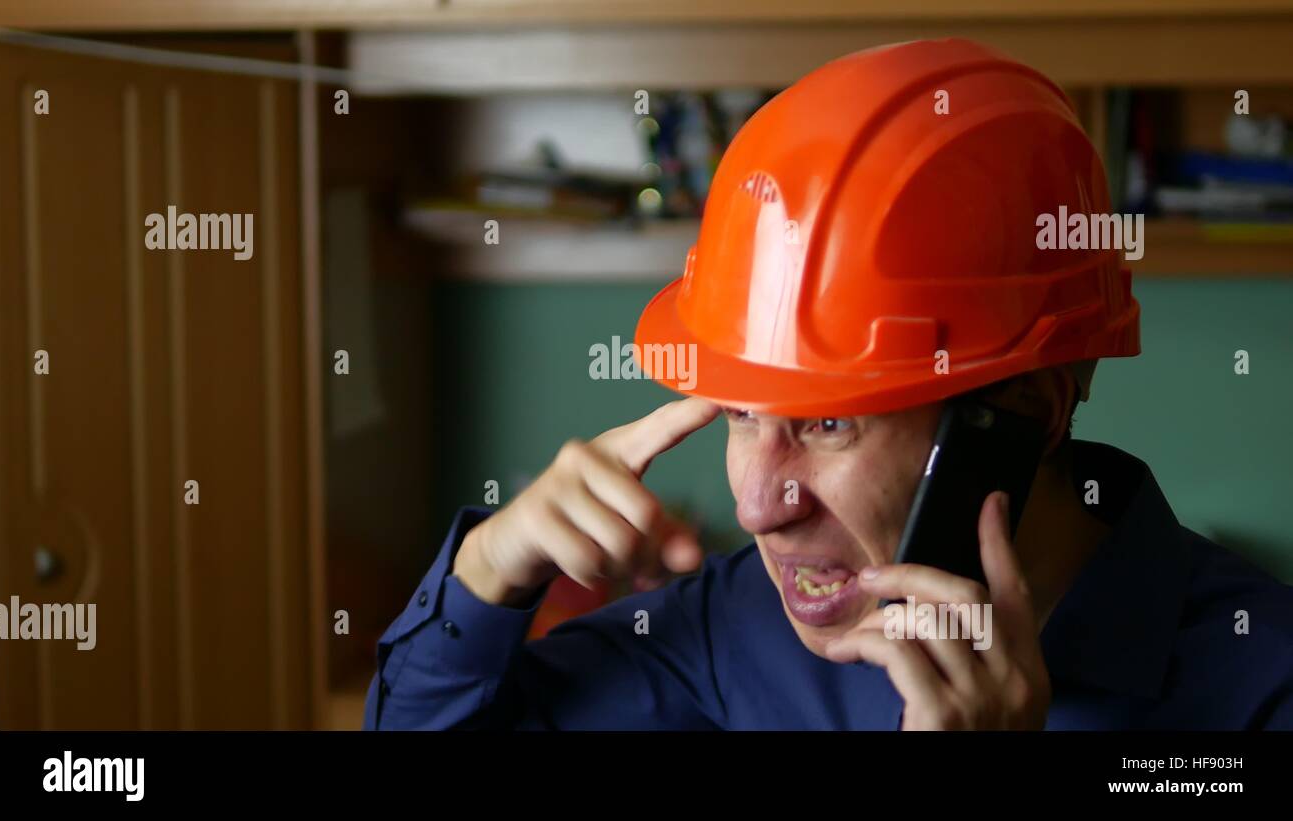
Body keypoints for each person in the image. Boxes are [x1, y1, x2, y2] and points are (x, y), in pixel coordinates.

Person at [364, 39, 1293, 730]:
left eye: (827, 425)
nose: (760, 504)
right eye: (738, 412)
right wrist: (487, 572)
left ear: (1022, 415)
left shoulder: (1260, 679)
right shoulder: (733, 627)